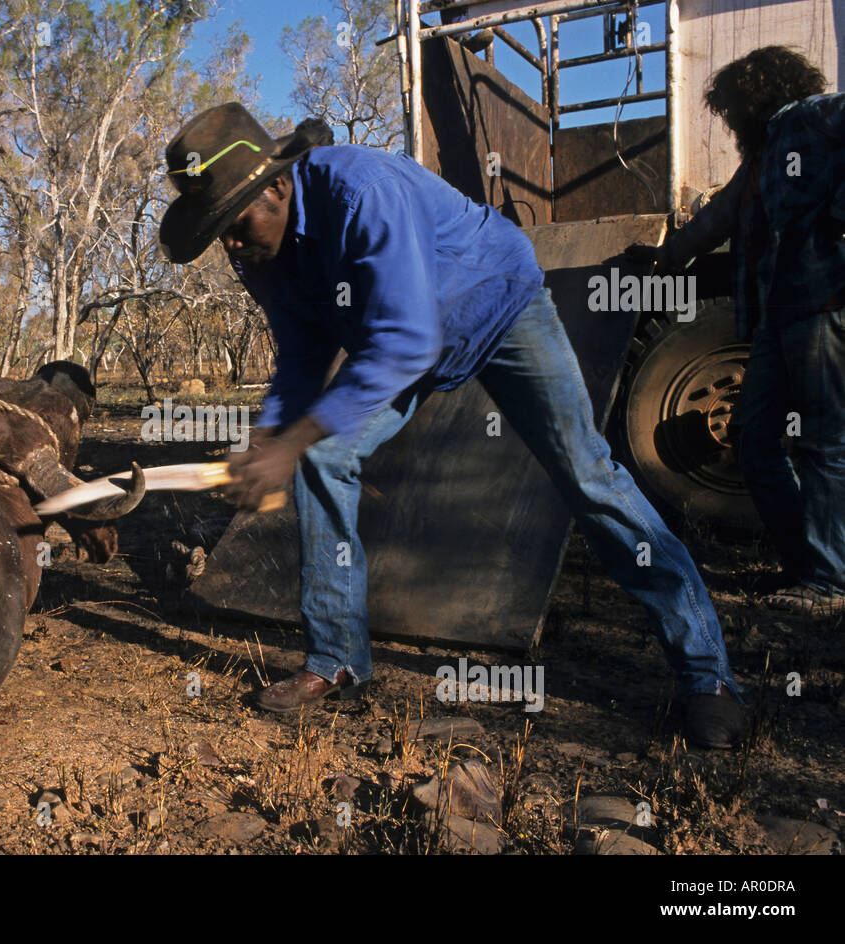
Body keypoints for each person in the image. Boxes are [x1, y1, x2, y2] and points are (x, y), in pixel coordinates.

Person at [159, 102, 746, 748]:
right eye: (219, 232)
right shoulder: (258, 250)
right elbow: (300, 353)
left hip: (499, 309)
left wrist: (295, 438)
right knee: (323, 458)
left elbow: (404, 344)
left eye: (235, 223)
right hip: (402, 343)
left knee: (587, 474)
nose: (232, 243)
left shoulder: (362, 192)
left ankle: (707, 673)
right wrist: (271, 436)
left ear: (276, 185)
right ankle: (337, 659)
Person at [627, 47, 843, 618]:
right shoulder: (764, 155)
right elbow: (717, 219)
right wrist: (663, 258)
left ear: (757, 94)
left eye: (729, 110)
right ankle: (806, 565)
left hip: (825, 304)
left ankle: (829, 583)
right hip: (778, 318)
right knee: (754, 440)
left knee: (824, 444)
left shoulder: (816, 115)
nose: (727, 122)